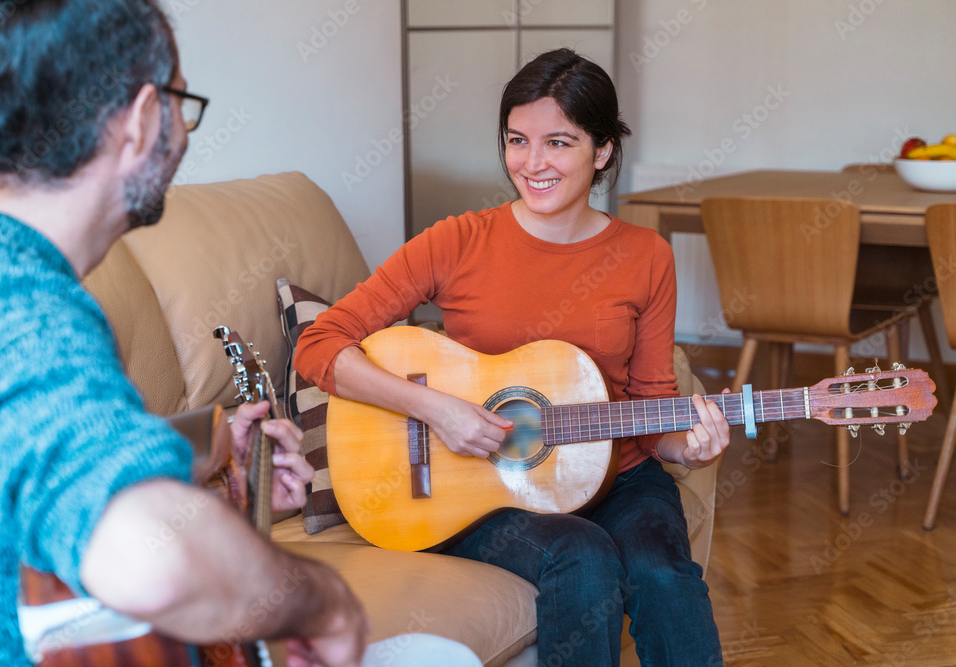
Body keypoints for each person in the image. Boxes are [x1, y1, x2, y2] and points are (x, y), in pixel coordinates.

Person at [0, 2, 481, 666]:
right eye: (180, 104)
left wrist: (209, 452)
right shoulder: (24, 309)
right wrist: (323, 599)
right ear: (144, 117)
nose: (182, 132)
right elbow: (150, 560)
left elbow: (11, 460)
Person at [295, 48, 730, 666]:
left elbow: (654, 408)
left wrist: (688, 446)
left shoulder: (646, 255)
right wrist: (438, 409)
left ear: (602, 150)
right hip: (481, 483)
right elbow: (318, 346)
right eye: (517, 140)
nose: (532, 163)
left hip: (623, 477)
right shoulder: (456, 241)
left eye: (558, 142)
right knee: (581, 556)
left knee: (665, 576)